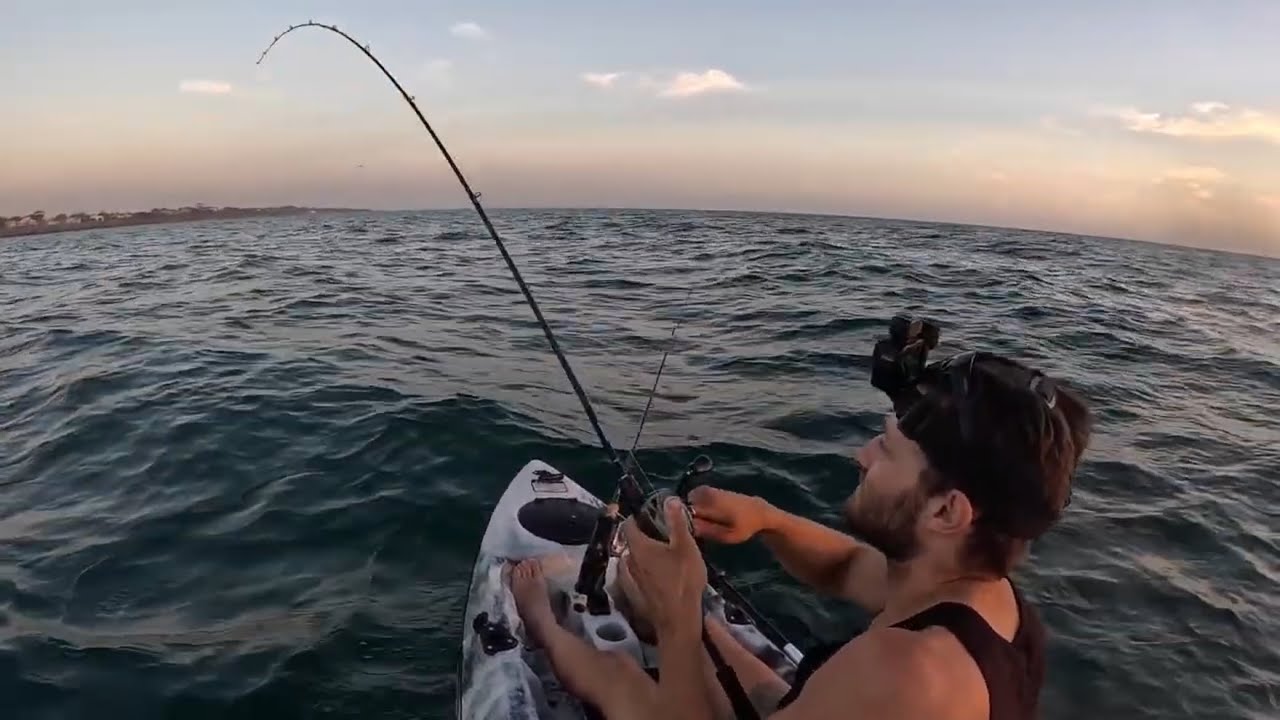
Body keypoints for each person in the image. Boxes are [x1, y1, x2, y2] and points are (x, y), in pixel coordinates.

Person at [509, 351, 1091, 720]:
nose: (861, 455)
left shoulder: (913, 672)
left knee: (627, 683)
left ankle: (537, 618)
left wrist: (679, 615)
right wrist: (767, 518)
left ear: (947, 511)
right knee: (707, 634)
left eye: (885, 450)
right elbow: (844, 568)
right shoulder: (985, 600)